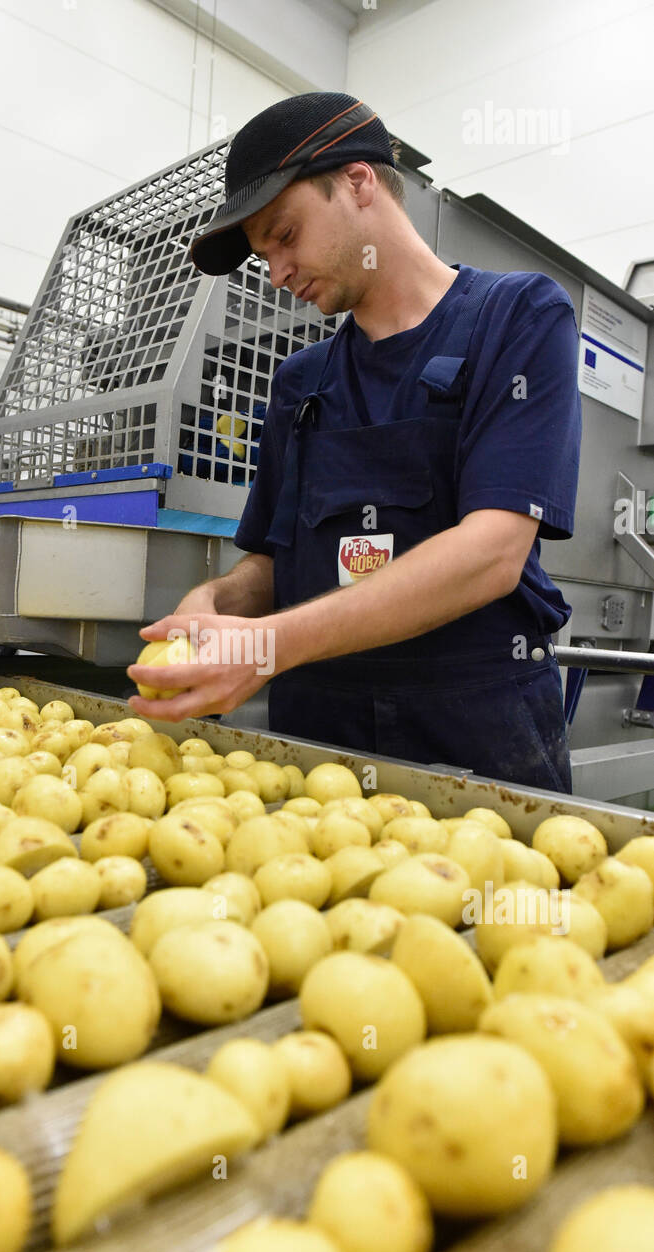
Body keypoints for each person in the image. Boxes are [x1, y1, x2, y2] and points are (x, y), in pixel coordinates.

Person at [126, 91, 581, 792]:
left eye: (284, 234)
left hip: (475, 729)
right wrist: (214, 602)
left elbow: (490, 553)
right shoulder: (300, 383)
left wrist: (272, 644)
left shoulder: (516, 317)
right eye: (261, 254)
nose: (276, 272)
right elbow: (276, 565)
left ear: (359, 183)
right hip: (317, 736)